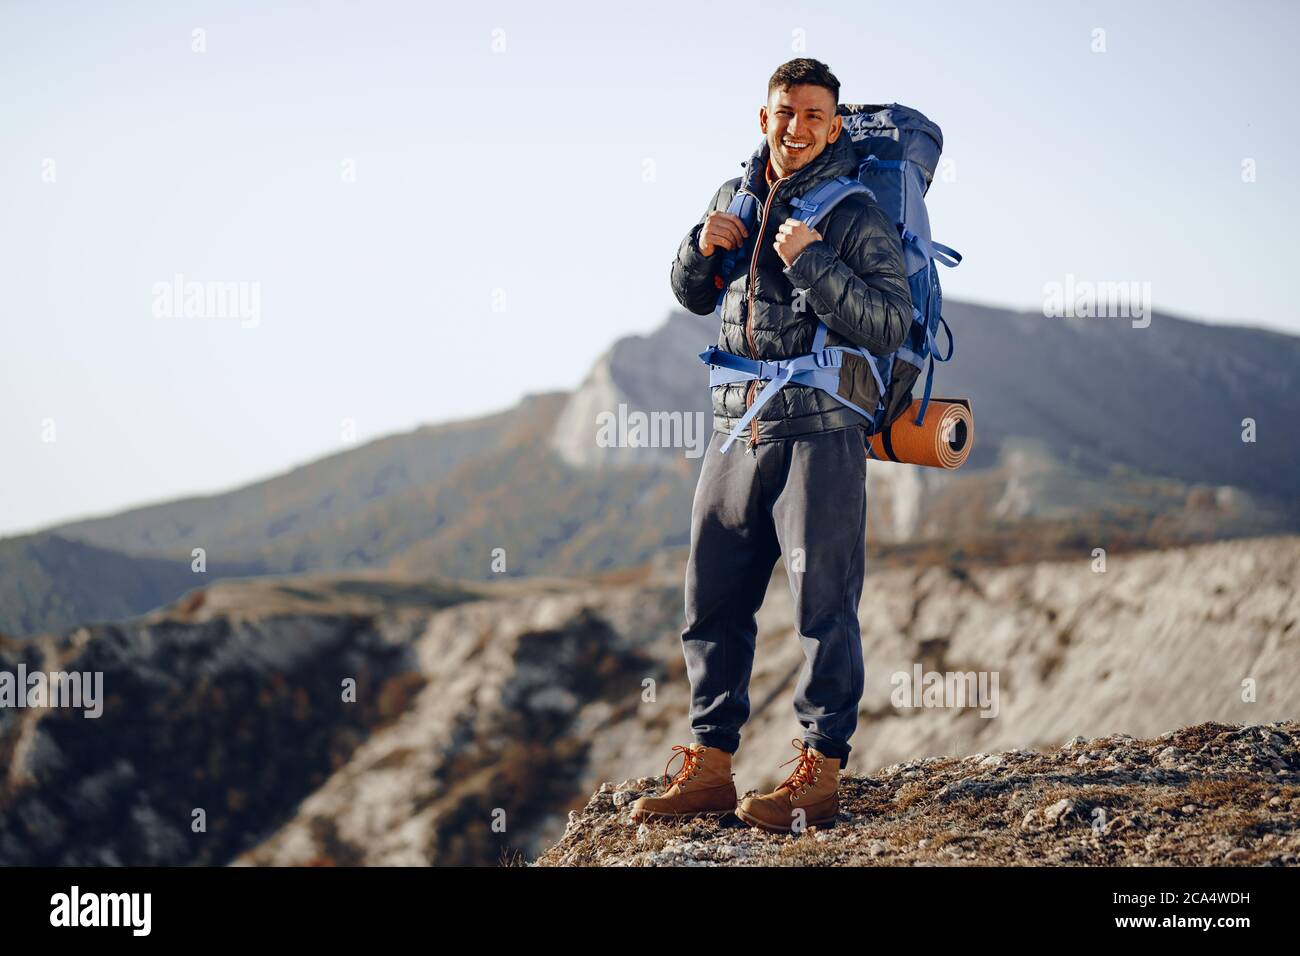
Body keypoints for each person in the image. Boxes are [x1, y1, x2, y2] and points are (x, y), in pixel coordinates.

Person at [631, 58, 912, 833]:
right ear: (765, 118)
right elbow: (694, 295)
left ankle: (819, 774)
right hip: (734, 425)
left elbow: (890, 321)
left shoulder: (853, 211)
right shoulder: (735, 196)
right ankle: (711, 767)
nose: (799, 126)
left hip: (820, 429)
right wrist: (698, 246)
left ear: (835, 124)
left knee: (823, 603)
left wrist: (811, 260)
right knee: (711, 597)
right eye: (786, 111)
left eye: (816, 114)